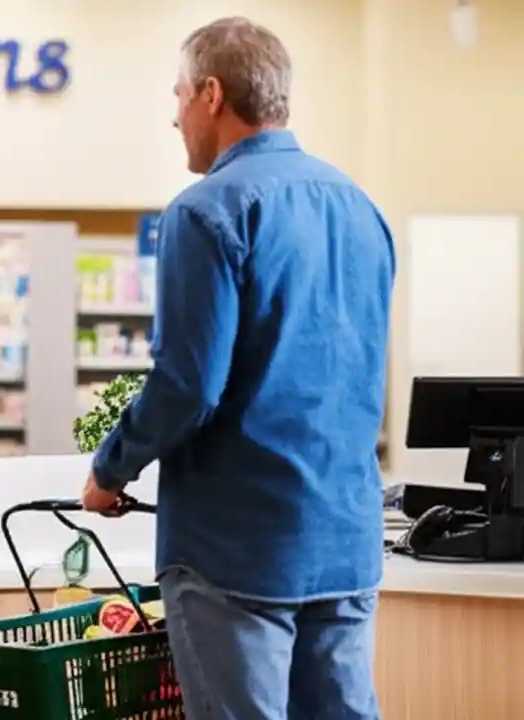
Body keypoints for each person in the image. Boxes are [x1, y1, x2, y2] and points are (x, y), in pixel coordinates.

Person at [81, 17, 394, 720]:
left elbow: (188, 385)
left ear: (212, 95)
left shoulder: (206, 212)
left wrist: (111, 471)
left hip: (237, 550)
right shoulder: (360, 208)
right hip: (343, 537)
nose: (174, 115)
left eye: (180, 94)